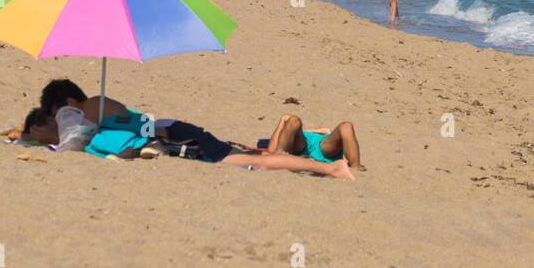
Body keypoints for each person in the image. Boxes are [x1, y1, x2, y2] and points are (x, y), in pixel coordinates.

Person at [35, 80, 353, 176]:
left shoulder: (92, 106)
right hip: (176, 130)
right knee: (248, 158)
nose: (62, 119)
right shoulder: (97, 111)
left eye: (59, 112)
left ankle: (332, 168)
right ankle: (325, 167)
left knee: (253, 161)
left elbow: (141, 124)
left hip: (178, 134)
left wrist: (160, 131)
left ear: (68, 102)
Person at [267, 114, 363, 171]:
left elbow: (327, 130)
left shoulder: (323, 132)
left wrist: (308, 130)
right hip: (303, 145)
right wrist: (283, 120)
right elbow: (271, 150)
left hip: (322, 145)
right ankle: (280, 155)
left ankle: (356, 169)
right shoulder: (291, 131)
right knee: (293, 119)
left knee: (346, 125)